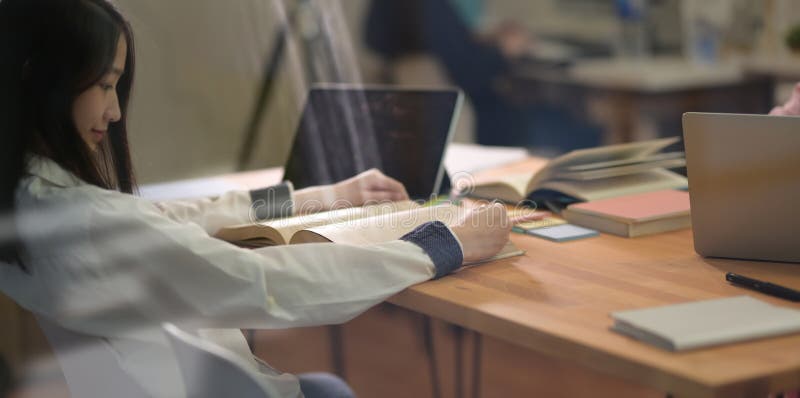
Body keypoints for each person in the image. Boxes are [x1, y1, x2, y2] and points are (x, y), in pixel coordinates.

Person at [0, 0, 512, 397]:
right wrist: (443, 243)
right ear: (40, 78)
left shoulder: (29, 201)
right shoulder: (87, 221)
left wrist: (310, 196)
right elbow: (268, 284)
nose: (114, 112)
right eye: (104, 85)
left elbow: (162, 218)